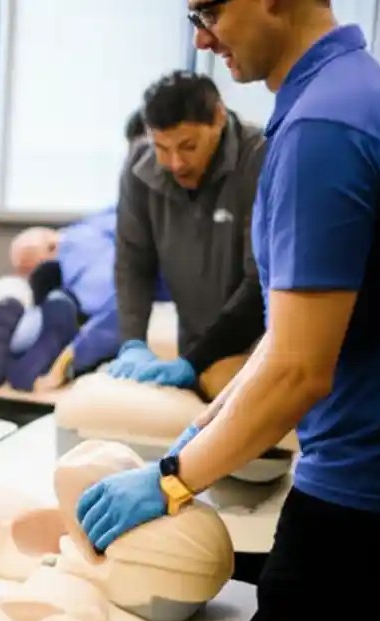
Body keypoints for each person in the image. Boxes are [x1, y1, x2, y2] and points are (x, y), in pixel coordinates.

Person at [78, 1, 380, 621]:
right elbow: (293, 337)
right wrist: (198, 437)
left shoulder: (326, 125)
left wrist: (171, 481)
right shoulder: (353, 95)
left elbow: (298, 369)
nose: (201, 39)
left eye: (209, 11)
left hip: (366, 514)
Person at [108, 70, 266, 391]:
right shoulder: (140, 167)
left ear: (219, 118)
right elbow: (133, 264)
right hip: (194, 342)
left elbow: (260, 281)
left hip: (257, 344)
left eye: (188, 146)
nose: (176, 163)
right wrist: (132, 342)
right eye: (162, 148)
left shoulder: (261, 159)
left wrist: (197, 360)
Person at [0, 111, 157, 390]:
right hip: (97, 296)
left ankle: (16, 351)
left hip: (91, 295)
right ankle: (32, 346)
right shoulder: (115, 218)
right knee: (61, 311)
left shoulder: (89, 228)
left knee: (51, 308)